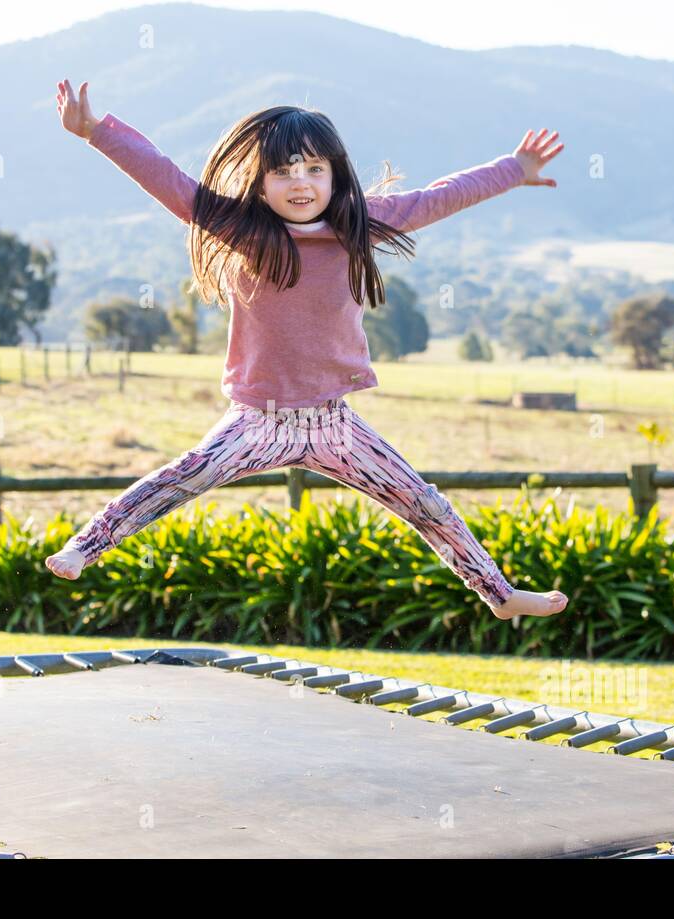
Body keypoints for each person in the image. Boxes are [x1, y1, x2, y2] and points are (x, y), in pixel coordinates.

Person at [45, 78, 568, 621]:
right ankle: (86, 546)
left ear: (335, 176)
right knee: (181, 478)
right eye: (284, 171)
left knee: (424, 503)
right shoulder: (243, 229)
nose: (301, 182)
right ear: (262, 182)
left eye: (315, 169)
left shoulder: (360, 225)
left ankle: (500, 597)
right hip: (257, 420)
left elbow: (440, 196)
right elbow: (169, 181)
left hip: (334, 423)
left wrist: (514, 170)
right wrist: (94, 131)